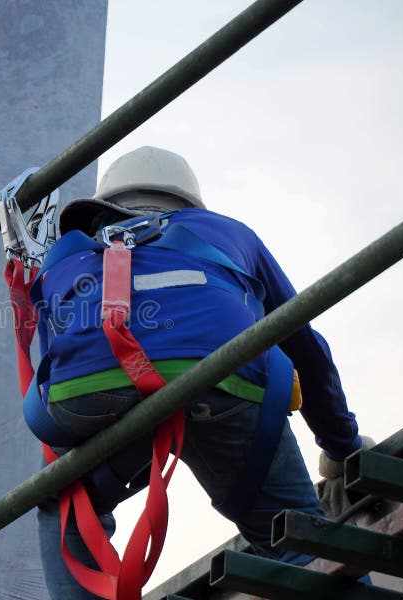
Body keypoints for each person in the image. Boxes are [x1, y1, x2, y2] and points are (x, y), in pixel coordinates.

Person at [33, 146, 370, 598]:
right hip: (223, 383)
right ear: (190, 204)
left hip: (97, 390)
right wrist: (342, 448)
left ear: (103, 206)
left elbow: (52, 370)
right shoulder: (229, 234)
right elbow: (305, 348)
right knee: (297, 538)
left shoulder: (68, 258)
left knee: (64, 502)